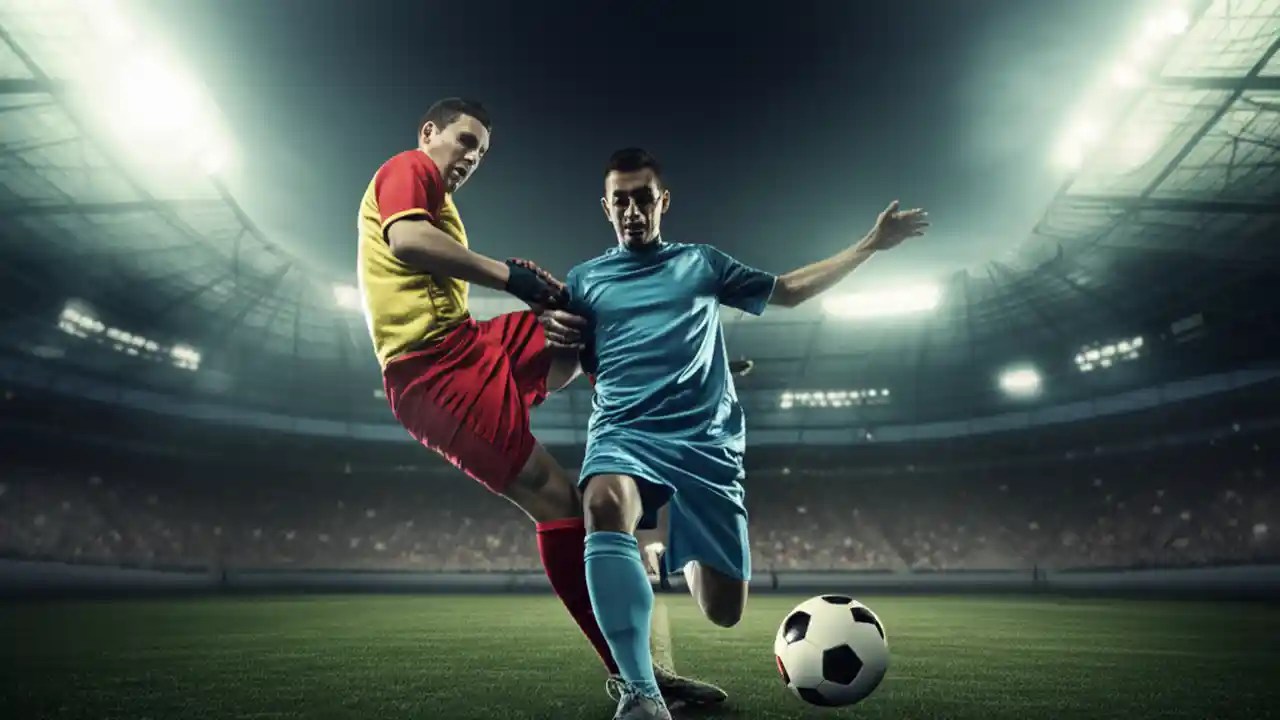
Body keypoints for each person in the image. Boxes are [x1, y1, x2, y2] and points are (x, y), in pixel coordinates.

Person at [355, 100, 725, 706]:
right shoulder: (408, 169)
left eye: (481, 151)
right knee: (563, 505)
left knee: (580, 316)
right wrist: (509, 278)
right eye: (464, 140)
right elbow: (407, 240)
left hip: (467, 344)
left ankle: (670, 389)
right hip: (430, 373)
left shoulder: (441, 202)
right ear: (429, 133)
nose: (471, 157)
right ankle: (637, 680)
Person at [545, 147, 928, 719]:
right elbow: (557, 378)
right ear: (606, 207)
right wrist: (552, 335)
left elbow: (791, 291)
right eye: (619, 200)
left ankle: (670, 550)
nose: (631, 210)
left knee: (724, 611)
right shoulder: (585, 280)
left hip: (706, 443)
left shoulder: (701, 263)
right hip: (623, 430)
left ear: (662, 202)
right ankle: (641, 692)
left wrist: (870, 245)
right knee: (600, 503)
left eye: (642, 198)